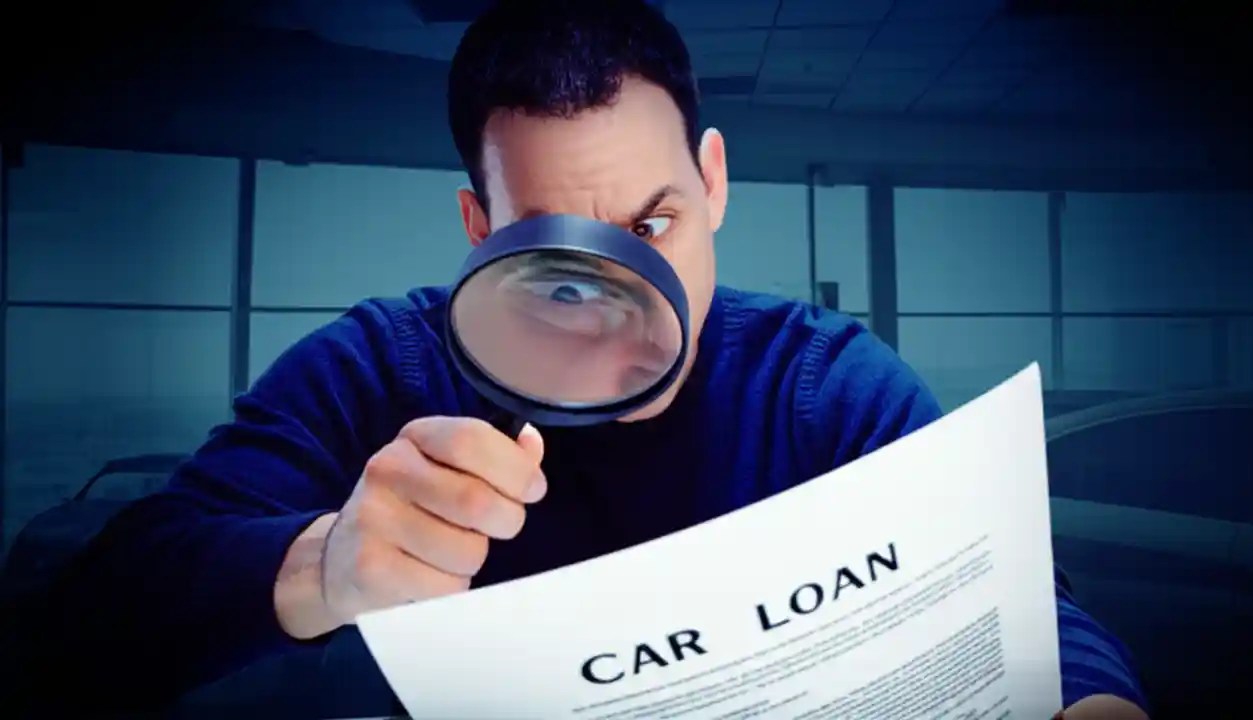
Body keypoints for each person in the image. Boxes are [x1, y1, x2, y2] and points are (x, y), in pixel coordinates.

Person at [3, 1, 1149, 717]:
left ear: (712, 180)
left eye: (651, 229)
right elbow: (89, 623)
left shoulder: (821, 385)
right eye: (557, 257)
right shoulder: (377, 368)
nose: (615, 314)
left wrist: (1088, 698)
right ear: (477, 230)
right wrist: (321, 564)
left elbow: (1018, 607)